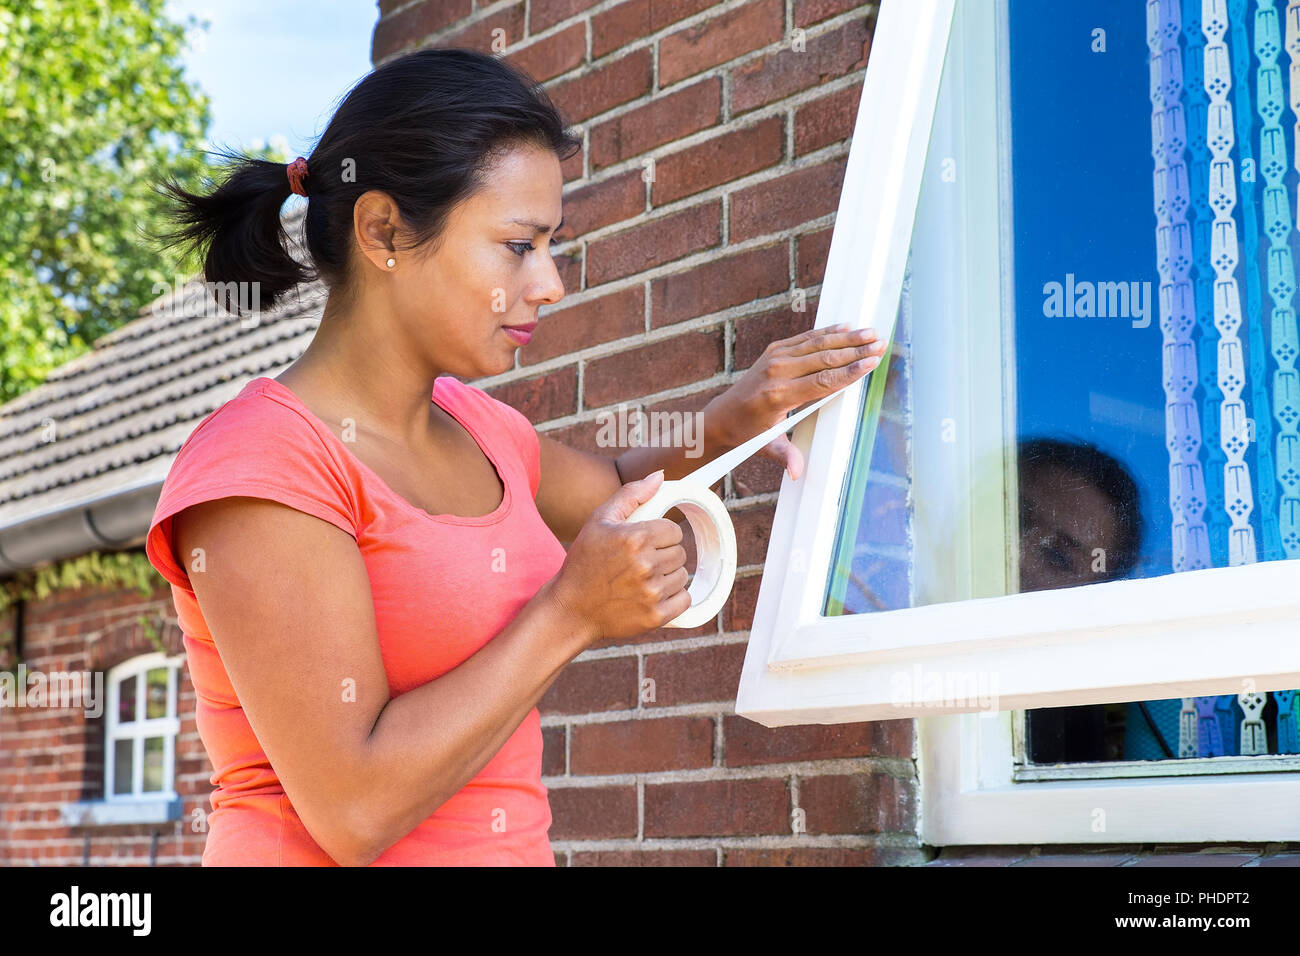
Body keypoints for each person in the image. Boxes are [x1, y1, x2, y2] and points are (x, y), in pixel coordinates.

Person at [145, 47, 887, 865]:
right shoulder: (263, 463)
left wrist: (740, 410)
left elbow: (612, 485)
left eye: (551, 245)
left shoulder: (479, 427)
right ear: (384, 231)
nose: (551, 284)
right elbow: (353, 809)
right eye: (518, 246)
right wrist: (571, 611)